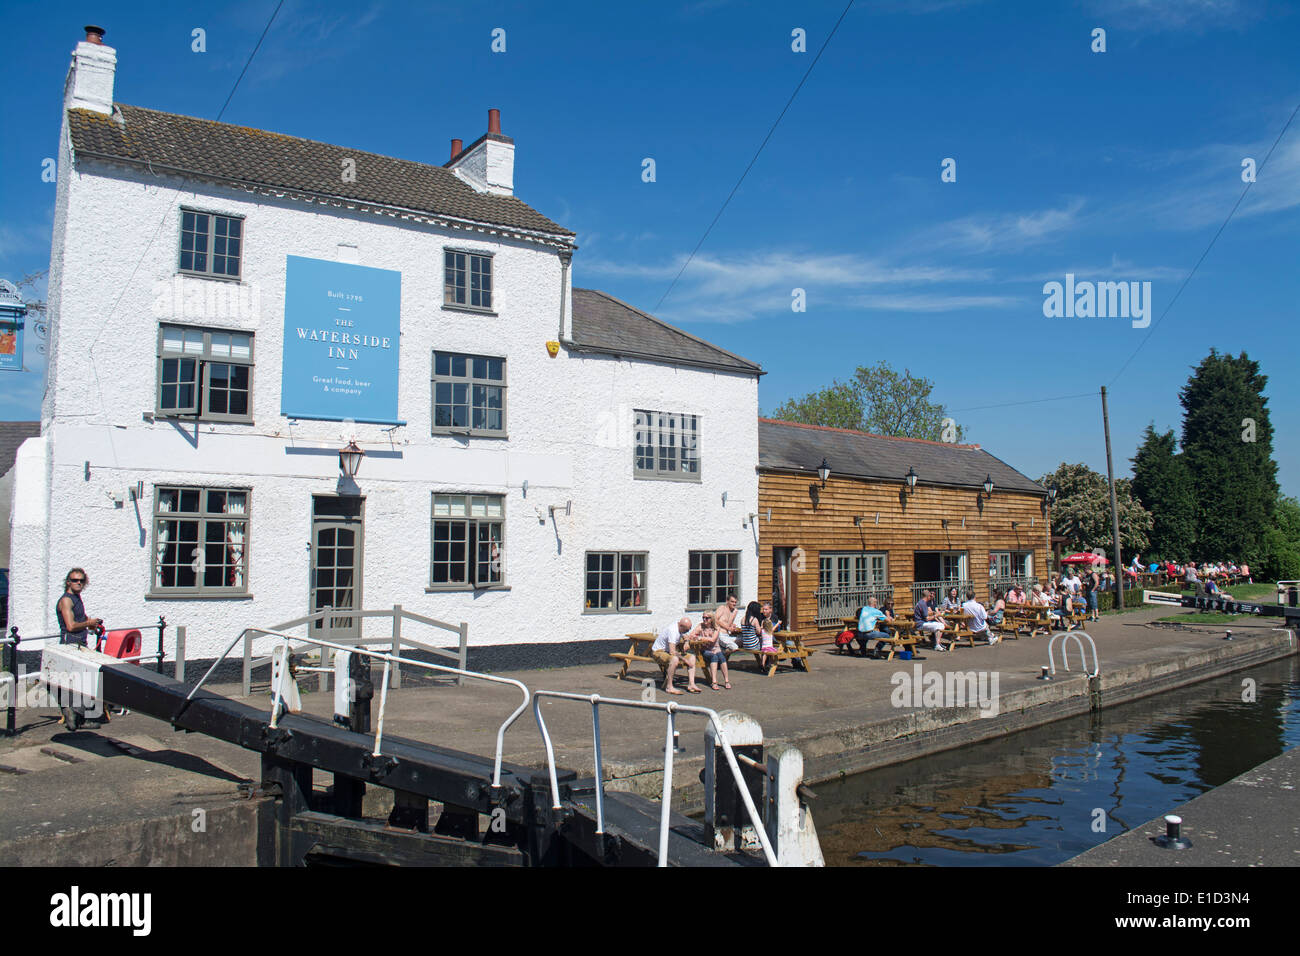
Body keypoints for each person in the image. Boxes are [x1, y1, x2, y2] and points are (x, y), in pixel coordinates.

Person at [55, 568, 105, 729]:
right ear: (68, 582)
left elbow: (80, 620)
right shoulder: (66, 601)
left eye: (81, 581)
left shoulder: (77, 598)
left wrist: (91, 626)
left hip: (79, 642)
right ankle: (73, 714)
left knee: (81, 681)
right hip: (70, 643)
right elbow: (70, 626)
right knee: (77, 681)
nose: (78, 583)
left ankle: (75, 716)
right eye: (75, 580)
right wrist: (88, 624)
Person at [652, 616, 700, 695]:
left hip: (668, 651)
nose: (688, 631)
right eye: (687, 629)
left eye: (689, 629)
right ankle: (669, 687)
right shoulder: (673, 630)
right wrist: (684, 660)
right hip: (658, 651)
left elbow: (685, 636)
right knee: (675, 659)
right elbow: (672, 651)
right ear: (681, 626)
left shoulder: (680, 627)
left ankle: (691, 684)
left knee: (692, 657)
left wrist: (687, 642)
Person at [696, 613, 731, 691]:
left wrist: (701, 638)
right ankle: (714, 682)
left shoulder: (716, 628)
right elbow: (692, 635)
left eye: (707, 618)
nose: (704, 619)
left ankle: (726, 681)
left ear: (711, 619)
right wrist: (696, 637)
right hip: (705, 650)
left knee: (722, 657)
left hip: (716, 648)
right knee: (714, 657)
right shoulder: (700, 626)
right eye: (703, 617)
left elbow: (713, 639)